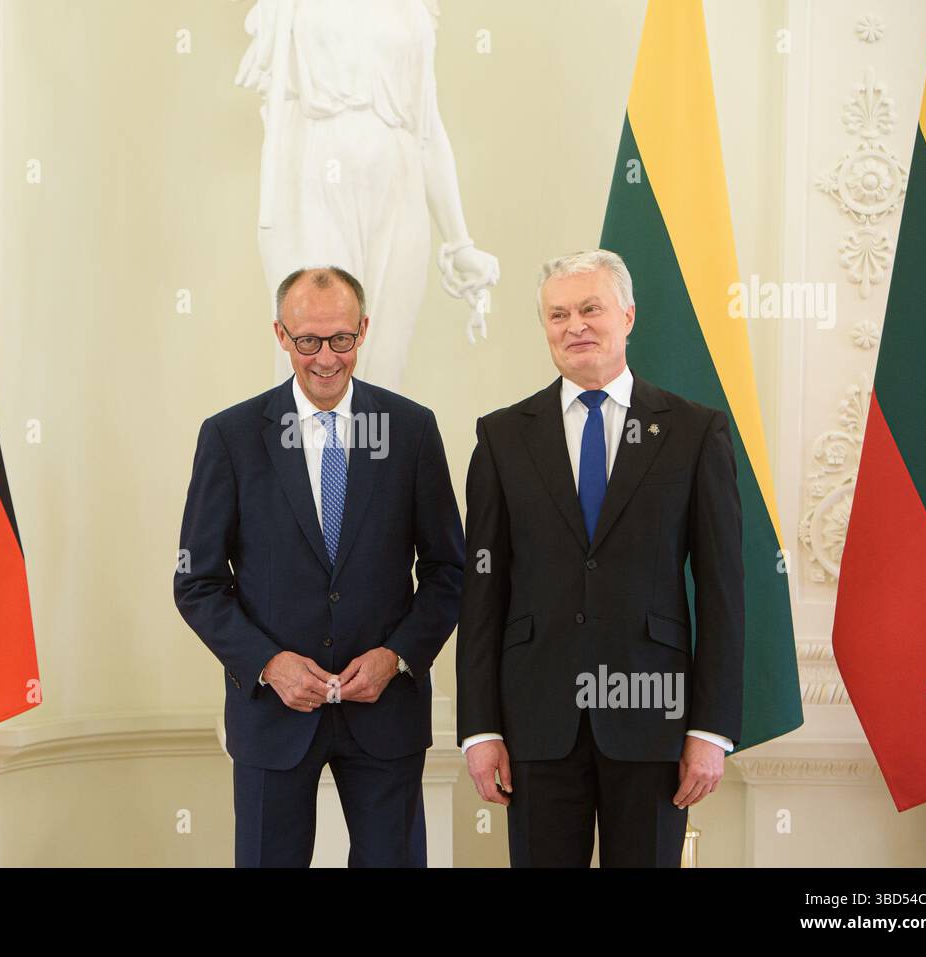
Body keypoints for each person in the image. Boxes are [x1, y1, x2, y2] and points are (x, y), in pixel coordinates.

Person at [456, 249, 745, 867]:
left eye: (591, 308)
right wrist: (480, 728)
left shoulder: (696, 432)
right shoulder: (502, 437)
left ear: (628, 315)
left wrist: (710, 729)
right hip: (536, 722)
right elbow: (482, 593)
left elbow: (723, 591)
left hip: (654, 719)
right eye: (558, 314)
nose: (575, 325)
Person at [174, 266, 464, 866]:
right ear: (281, 335)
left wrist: (397, 656)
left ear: (364, 330)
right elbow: (197, 582)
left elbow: (448, 571)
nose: (326, 358)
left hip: (387, 712)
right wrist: (268, 664)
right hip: (271, 717)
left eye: (341, 339)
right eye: (308, 341)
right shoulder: (230, 436)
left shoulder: (411, 430)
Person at [236, 0, 500, 389]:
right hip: (313, 184)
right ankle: (304, 451)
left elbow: (427, 130)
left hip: (399, 188)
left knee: (385, 363)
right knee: (317, 344)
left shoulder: (413, 10)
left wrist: (460, 243)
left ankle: (373, 450)